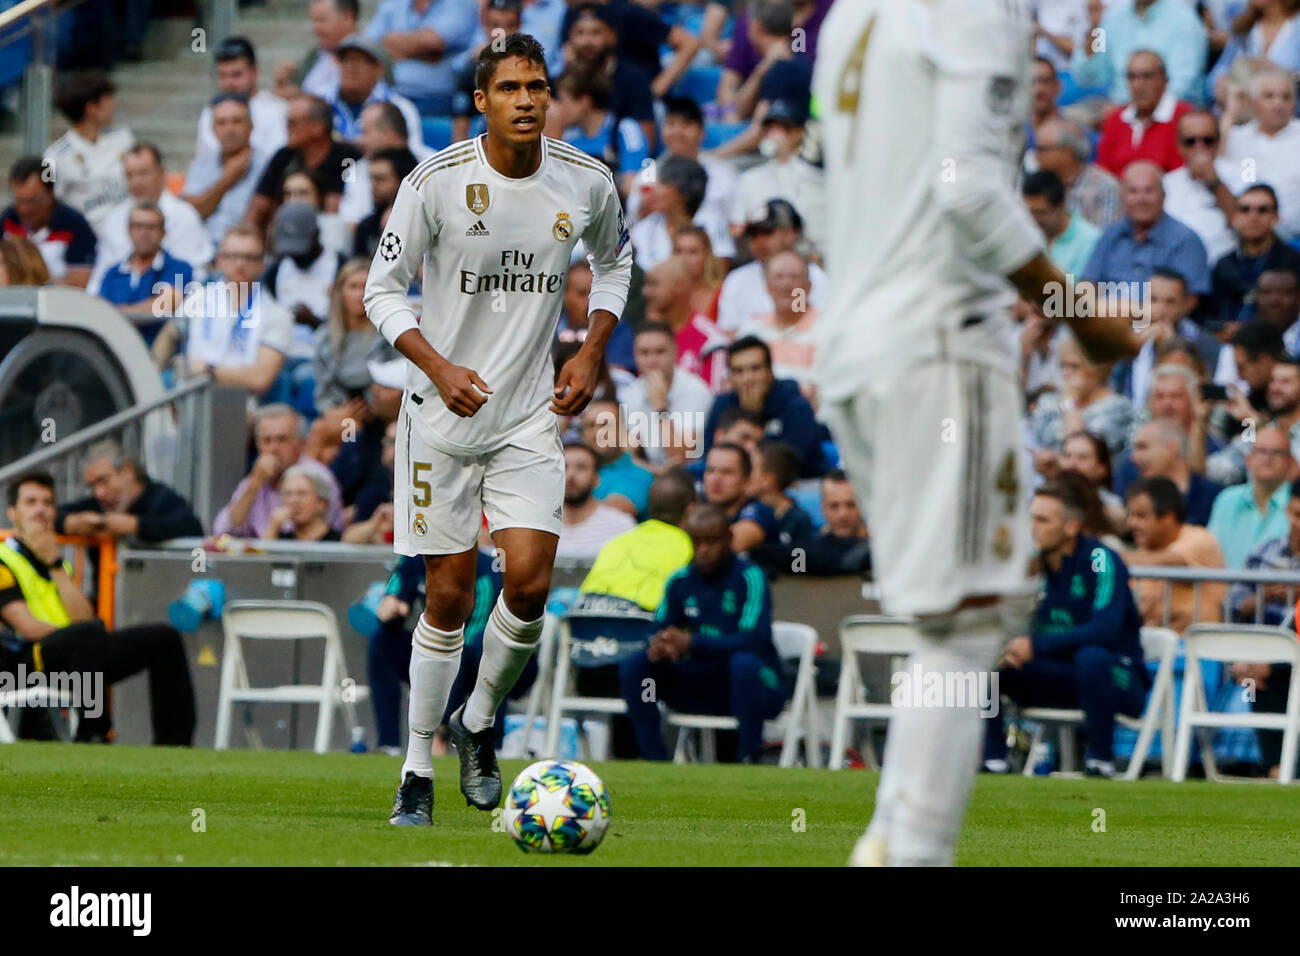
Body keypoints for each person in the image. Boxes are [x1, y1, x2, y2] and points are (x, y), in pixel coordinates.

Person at [814, 0, 1138, 867]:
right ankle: (915, 852)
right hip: (939, 343)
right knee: (965, 624)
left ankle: (892, 841)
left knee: (942, 621)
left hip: (858, 342)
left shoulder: (853, 16)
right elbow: (968, 188)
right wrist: (1082, 312)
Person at [364, 33, 632, 825]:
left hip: (527, 417)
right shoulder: (435, 183)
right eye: (510, 87)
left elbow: (614, 261)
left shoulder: (586, 181)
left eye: (538, 87)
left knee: (530, 582)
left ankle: (477, 720)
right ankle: (417, 767)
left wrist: (590, 348)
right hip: (438, 420)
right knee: (448, 599)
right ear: (481, 101)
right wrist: (438, 366)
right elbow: (381, 290)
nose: (526, 100)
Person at [0, 473, 195, 745]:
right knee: (85, 636)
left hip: (77, 656)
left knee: (164, 639)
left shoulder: (58, 563)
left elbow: (85, 619)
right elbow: (27, 627)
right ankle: (94, 733)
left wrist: (54, 564)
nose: (41, 509)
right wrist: (79, 637)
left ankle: (175, 743)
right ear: (12, 512)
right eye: (31, 502)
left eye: (47, 502)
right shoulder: (3, 559)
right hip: (18, 665)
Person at [982, 482, 1149, 778]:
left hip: (1117, 678)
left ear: (1071, 526)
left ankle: (1100, 761)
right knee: (986, 666)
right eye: (1030, 519)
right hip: (1061, 678)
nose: (1032, 528)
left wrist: (1036, 646)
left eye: (1042, 520)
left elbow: (1105, 629)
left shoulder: (1101, 560)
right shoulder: (1032, 565)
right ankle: (993, 761)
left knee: (1092, 656)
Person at [617, 504, 789, 763]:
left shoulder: (750, 576)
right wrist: (662, 644)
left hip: (754, 686)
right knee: (635, 665)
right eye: (697, 542)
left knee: (744, 663)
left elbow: (753, 639)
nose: (703, 550)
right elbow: (656, 628)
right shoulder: (680, 579)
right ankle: (654, 761)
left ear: (729, 539)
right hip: (698, 684)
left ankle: (749, 759)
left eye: (712, 542)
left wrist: (692, 643)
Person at [150, 226, 294, 398]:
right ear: (219, 261)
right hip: (192, 396)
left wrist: (205, 370)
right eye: (233, 256)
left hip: (245, 404)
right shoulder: (199, 298)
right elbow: (169, 334)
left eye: (249, 258)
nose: (240, 264)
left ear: (262, 264)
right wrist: (150, 378)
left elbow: (260, 378)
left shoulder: (278, 314)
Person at [1081, 161, 1212, 301]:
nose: (1141, 199)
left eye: (1148, 191)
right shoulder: (1110, 234)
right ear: (1122, 197)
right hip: (1106, 318)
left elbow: (1190, 299)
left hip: (1161, 320)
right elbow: (1088, 283)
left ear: (1163, 196)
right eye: (1133, 191)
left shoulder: (1185, 240)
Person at [213, 404, 344, 538]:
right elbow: (223, 529)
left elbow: (328, 533)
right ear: (258, 445)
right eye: (266, 440)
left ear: (300, 443)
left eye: (282, 439)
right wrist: (254, 484)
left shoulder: (318, 476)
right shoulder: (256, 478)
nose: (273, 448)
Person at [703, 336, 827, 477]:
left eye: (755, 369)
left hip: (802, 484)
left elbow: (789, 465)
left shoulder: (797, 406)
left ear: (770, 372)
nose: (748, 378)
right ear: (730, 377)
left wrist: (751, 416)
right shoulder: (722, 403)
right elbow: (707, 453)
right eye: (738, 371)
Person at [92, 144, 215, 285]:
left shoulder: (184, 215)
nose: (136, 182)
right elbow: (100, 275)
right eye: (130, 175)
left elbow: (194, 274)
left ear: (162, 174)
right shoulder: (113, 218)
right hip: (118, 298)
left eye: (143, 174)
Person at [1125, 475, 1229, 634]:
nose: (1131, 523)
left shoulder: (1199, 538)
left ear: (1168, 517)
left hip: (1202, 648)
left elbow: (1169, 561)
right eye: (1130, 515)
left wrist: (1106, 557)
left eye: (1141, 516)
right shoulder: (1143, 553)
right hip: (1155, 650)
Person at [246, 94, 363, 231]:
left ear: (317, 127)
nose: (286, 128)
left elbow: (337, 209)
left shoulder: (347, 158)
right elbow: (259, 206)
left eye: (293, 123)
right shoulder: (284, 156)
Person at [727, 99, 827, 256]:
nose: (772, 135)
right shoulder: (749, 179)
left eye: (781, 128)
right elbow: (737, 228)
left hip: (806, 259)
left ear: (799, 132)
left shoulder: (815, 178)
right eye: (768, 129)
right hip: (761, 260)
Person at [715, 199, 828, 336]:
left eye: (767, 232)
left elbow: (814, 322)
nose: (760, 241)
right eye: (753, 235)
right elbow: (728, 334)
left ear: (790, 234)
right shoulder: (737, 280)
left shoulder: (814, 278)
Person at [56, 440, 203, 542]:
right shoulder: (97, 504)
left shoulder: (161, 498)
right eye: (92, 486)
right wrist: (69, 522)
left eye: (104, 480)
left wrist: (135, 526)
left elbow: (191, 527)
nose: (98, 493)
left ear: (128, 470)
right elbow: (49, 515)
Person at [42, 71, 133, 231]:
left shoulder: (124, 139)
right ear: (92, 108)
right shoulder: (52, 157)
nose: (114, 105)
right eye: (108, 99)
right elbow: (47, 204)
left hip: (128, 234)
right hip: (86, 241)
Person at [182, 94, 275, 248]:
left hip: (247, 255)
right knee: (178, 273)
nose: (229, 129)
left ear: (251, 126)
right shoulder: (201, 165)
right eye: (221, 123)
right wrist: (227, 179)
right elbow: (190, 214)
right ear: (212, 129)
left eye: (237, 121)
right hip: (203, 252)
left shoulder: (268, 165)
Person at [1070, 2, 1208, 106]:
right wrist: (1095, 28)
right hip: (1117, 106)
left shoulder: (1185, 21)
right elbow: (1087, 77)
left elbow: (1182, 87)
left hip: (1169, 113)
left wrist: (1130, 112)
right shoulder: (1111, 19)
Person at [1222, 66, 1300, 240]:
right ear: (1254, 102)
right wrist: (1231, 112)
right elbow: (1217, 164)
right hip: (1245, 234)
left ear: (1294, 105)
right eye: (1269, 96)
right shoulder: (1238, 137)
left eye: (1286, 97)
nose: (1278, 104)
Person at [620, 322, 713, 467]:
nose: (652, 360)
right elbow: (627, 455)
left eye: (660, 352)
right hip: (652, 473)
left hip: (691, 476)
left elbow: (681, 457)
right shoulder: (630, 394)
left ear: (675, 352)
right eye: (644, 353)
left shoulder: (696, 391)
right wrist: (651, 471)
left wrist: (660, 407)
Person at [363, 0, 480, 116]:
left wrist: (393, 43)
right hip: (391, 94)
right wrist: (428, 54)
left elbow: (434, 42)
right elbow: (370, 45)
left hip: (437, 100)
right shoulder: (393, 5)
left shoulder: (460, 4)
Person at [313, 258, 398, 411]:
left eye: (366, 287)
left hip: (382, 412)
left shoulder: (390, 333)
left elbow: (400, 380)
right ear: (340, 292)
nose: (360, 294)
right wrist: (336, 413)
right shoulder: (324, 337)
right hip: (340, 413)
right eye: (353, 287)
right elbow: (322, 392)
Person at [549, 67, 647, 200]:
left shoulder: (625, 129)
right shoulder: (570, 137)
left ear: (584, 102)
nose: (560, 108)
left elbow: (632, 186)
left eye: (564, 101)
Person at [1094, 50, 1195, 177]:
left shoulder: (1186, 118)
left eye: (1147, 76)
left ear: (1165, 80)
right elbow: (1103, 172)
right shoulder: (1115, 120)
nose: (1138, 85)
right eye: (1132, 77)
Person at [1210, 186, 1300, 327]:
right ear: (1234, 217)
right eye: (1245, 209)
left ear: (1276, 217)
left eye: (1262, 209)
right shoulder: (1224, 264)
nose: (1253, 216)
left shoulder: (1294, 262)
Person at [1, 156, 97, 288]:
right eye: (19, 200)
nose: (24, 209)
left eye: (32, 200)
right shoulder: (6, 220)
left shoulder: (75, 226)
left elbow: (81, 283)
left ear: (51, 194)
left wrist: (33, 283)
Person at [1160, 110, 1242, 265]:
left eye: (1207, 140)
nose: (1199, 148)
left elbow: (1245, 223)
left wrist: (1214, 181)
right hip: (1176, 269)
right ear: (1179, 146)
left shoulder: (1239, 175)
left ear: (1218, 142)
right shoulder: (1166, 183)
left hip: (1226, 268)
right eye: (1190, 141)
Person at [1206, 424, 1294, 568]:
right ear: (1248, 459)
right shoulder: (1227, 499)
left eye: (1277, 452)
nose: (1268, 458)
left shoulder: (1296, 504)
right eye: (1261, 451)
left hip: (1275, 590)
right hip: (1223, 588)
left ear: (1291, 463)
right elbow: (1209, 552)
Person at [328, 33, 427, 158]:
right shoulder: (320, 102)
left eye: (359, 61)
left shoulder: (400, 107)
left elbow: (411, 155)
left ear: (378, 68)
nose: (351, 67)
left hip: (379, 173)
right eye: (345, 60)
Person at [194, 37, 289, 166]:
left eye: (236, 75)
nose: (229, 83)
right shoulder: (210, 113)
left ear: (255, 72)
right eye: (222, 75)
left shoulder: (278, 110)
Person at [641, 254, 730, 390]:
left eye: (654, 284)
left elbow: (713, 401)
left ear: (679, 286)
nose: (645, 292)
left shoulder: (711, 341)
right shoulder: (645, 336)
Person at [90, 202, 193, 313]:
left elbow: (168, 302)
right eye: (138, 226)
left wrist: (119, 314)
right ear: (129, 231)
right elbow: (101, 310)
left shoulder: (179, 268)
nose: (144, 233)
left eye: (151, 227)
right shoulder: (112, 273)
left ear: (163, 232)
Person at [744, 249, 821, 395]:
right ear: (767, 285)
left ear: (808, 287)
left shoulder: (824, 330)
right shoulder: (751, 331)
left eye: (795, 277)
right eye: (778, 277)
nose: (786, 285)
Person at [1129, 417, 1222, 525]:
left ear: (1172, 449)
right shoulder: (1139, 497)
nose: (1134, 457)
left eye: (1142, 447)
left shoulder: (1215, 497)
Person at [1033, 118, 1123, 229]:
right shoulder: (1036, 182)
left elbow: (1103, 239)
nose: (1036, 155)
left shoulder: (1104, 187)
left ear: (1066, 152)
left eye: (1042, 149)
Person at [701, 443, 780, 564]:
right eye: (710, 470)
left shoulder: (761, 511)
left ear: (746, 480)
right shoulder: (696, 506)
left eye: (727, 472)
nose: (716, 479)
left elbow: (726, 546)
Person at [557, 441, 637, 558]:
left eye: (581, 467)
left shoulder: (622, 526)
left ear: (596, 478)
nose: (570, 475)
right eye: (564, 467)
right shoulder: (541, 525)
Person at [746, 439, 814, 574]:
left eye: (750, 469)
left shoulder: (799, 520)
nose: (743, 474)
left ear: (768, 480)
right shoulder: (746, 512)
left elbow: (800, 568)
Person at [578, 399, 655, 517]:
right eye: (590, 426)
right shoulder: (568, 469)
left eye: (605, 425)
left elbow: (612, 514)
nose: (597, 433)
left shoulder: (639, 474)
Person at [1022, 169, 1100, 278]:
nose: (1034, 218)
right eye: (1029, 212)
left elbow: (1082, 290)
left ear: (1061, 206)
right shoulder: (1025, 231)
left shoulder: (1090, 239)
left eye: (1040, 213)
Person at [795, 468, 871, 576]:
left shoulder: (881, 549)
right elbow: (795, 569)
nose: (843, 515)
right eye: (834, 506)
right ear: (822, 508)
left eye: (851, 505)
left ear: (863, 505)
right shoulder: (805, 551)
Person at [278, 0, 360, 100]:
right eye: (314, 21)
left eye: (322, 20)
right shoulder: (315, 55)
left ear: (348, 17)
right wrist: (282, 86)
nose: (315, 29)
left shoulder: (372, 58)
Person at [264, 466, 343, 542]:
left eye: (302, 493)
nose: (293, 500)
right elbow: (262, 555)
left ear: (322, 502)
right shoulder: (280, 539)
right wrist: (273, 528)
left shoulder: (340, 542)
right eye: (288, 494)